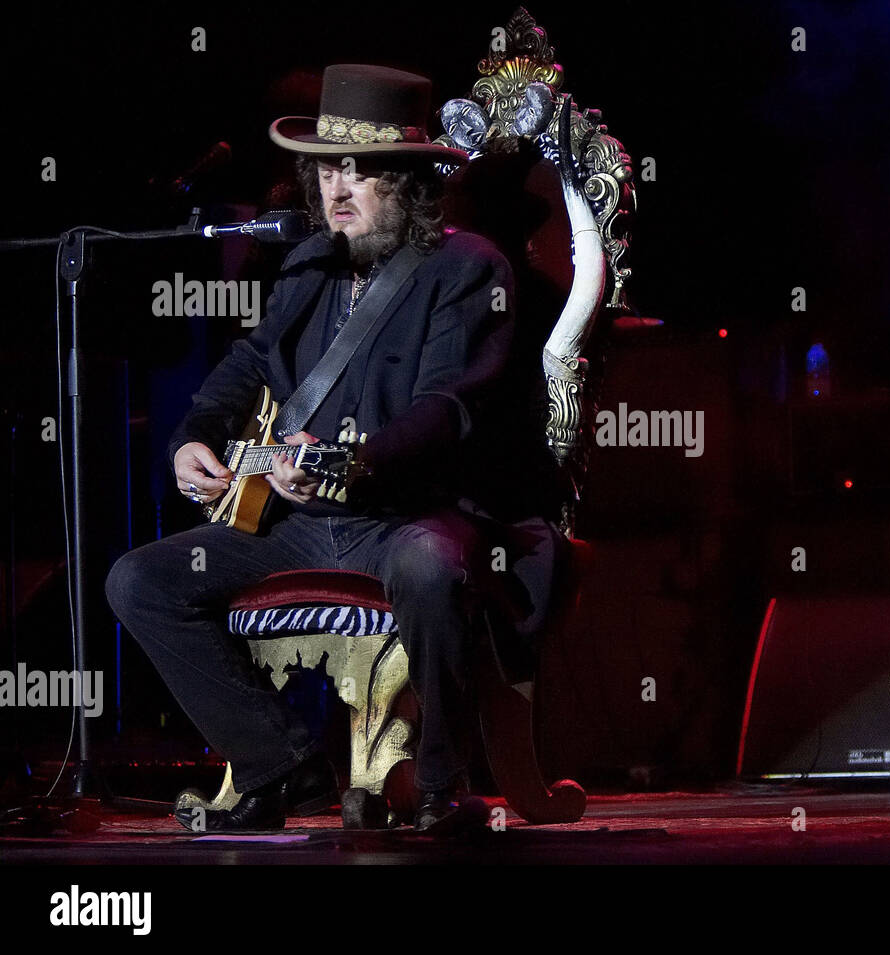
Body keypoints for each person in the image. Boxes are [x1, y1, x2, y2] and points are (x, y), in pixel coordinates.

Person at [106, 63, 565, 833]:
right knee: (139, 579)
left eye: (364, 173)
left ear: (412, 183)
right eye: (327, 171)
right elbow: (249, 362)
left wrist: (354, 461)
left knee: (429, 565)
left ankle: (443, 788)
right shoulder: (310, 265)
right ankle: (279, 762)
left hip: (411, 512)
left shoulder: (468, 268)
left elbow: (447, 407)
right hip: (306, 522)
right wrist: (193, 436)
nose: (338, 191)